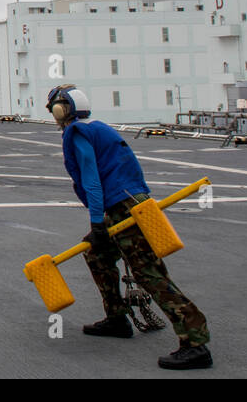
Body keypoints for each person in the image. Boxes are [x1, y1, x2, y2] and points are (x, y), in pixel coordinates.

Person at [45, 84, 212, 370]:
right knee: (97, 255)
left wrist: (97, 222)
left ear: (62, 109)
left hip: (123, 208)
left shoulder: (78, 133)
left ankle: (195, 343)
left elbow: (92, 181)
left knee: (148, 273)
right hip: (128, 204)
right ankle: (117, 318)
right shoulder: (98, 127)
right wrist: (102, 223)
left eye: (53, 109)